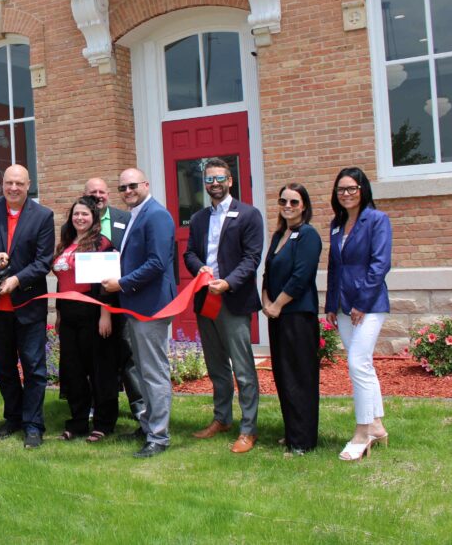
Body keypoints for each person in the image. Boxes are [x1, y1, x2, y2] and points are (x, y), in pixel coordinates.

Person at [0, 164, 55, 449]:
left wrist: (17, 280)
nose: (13, 188)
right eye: (9, 183)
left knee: (33, 368)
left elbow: (44, 262)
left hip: (28, 305)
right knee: (4, 368)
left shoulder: (43, 215)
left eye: (19, 183)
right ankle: (14, 418)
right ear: (2, 184)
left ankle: (33, 425)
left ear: (28, 184)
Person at [184, 158, 264, 454]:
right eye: (209, 180)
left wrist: (228, 282)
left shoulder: (248, 215)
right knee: (216, 365)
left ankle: (248, 428)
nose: (214, 184)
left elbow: (252, 258)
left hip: (233, 299)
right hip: (206, 299)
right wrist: (201, 270)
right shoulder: (199, 219)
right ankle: (222, 418)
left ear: (230, 181)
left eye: (219, 179)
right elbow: (189, 253)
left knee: (243, 369)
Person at [102, 168, 176, 458]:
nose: (128, 191)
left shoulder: (156, 215)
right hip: (135, 305)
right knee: (144, 371)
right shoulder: (136, 215)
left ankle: (159, 436)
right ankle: (148, 425)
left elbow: (157, 263)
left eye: (133, 186)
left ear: (146, 184)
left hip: (151, 306)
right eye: (122, 188)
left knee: (154, 372)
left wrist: (120, 283)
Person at [325, 167, 392, 461]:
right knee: (362, 365)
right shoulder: (336, 223)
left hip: (370, 305)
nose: (346, 194)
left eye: (352, 188)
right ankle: (377, 425)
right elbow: (334, 266)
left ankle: (362, 433)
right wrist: (330, 304)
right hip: (342, 306)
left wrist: (362, 302)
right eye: (341, 189)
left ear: (363, 189)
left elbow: (380, 264)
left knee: (357, 363)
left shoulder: (377, 220)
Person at [261, 184, 322, 455]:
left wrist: (277, 304)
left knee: (300, 377)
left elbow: (301, 277)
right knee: (283, 376)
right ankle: (292, 432)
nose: (288, 206)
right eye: (283, 200)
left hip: (298, 317)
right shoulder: (279, 235)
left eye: (294, 202)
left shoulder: (308, 235)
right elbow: (267, 272)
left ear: (304, 206)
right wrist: (265, 302)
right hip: (276, 316)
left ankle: (303, 441)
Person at [53, 196, 117, 442]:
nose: (79, 218)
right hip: (69, 315)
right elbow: (61, 283)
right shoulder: (66, 243)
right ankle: (78, 422)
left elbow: (106, 284)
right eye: (76, 214)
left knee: (99, 370)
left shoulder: (101, 243)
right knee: (73, 370)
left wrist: (105, 314)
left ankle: (103, 423)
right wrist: (59, 314)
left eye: (85, 214)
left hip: (94, 313)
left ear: (94, 218)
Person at [83, 177, 145, 423]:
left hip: (124, 296)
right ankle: (97, 405)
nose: (98, 196)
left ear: (108, 194)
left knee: (128, 352)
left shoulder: (125, 219)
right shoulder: (80, 221)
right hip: (90, 299)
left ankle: (139, 405)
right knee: (95, 355)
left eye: (101, 192)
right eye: (92, 193)